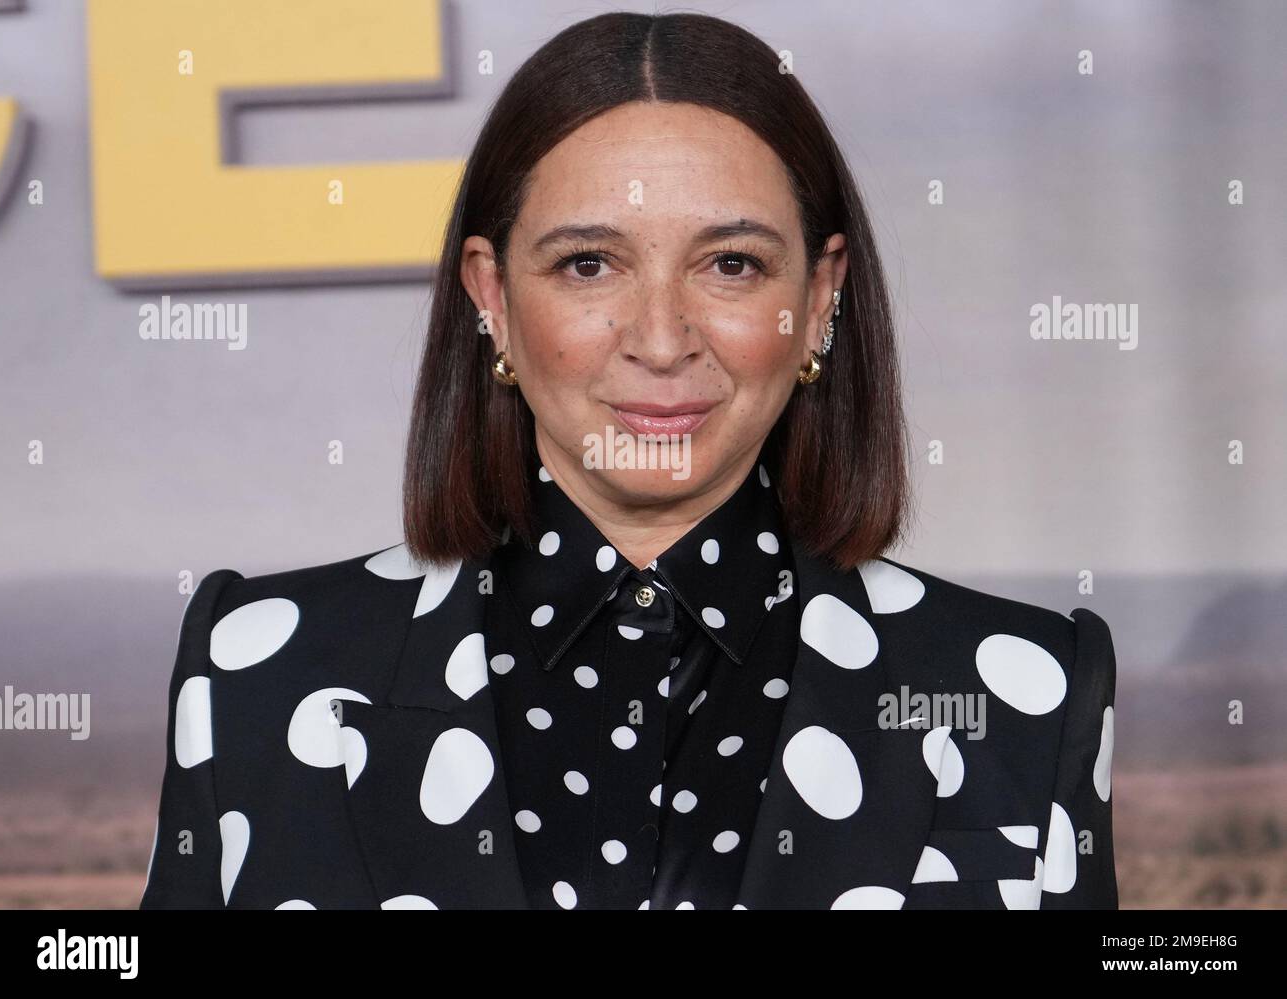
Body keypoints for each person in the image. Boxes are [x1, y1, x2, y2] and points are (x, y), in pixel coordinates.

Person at [140, 10, 1116, 910]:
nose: (659, 339)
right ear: (492, 296)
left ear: (819, 297)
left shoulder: (1021, 694)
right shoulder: (254, 673)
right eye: (588, 264)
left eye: (730, 264)